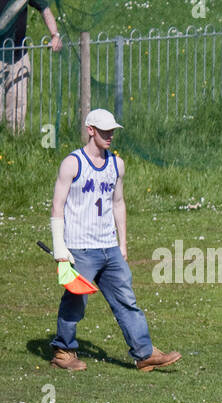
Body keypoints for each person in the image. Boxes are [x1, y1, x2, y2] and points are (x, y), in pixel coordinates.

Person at [48, 109, 181, 372]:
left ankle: (144, 354)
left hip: (109, 247)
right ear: (90, 130)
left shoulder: (116, 165)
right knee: (75, 301)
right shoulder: (72, 163)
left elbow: (118, 203)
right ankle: (63, 351)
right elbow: (57, 206)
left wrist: (122, 244)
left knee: (126, 300)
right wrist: (60, 248)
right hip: (80, 248)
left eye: (112, 131)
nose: (110, 135)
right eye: (104, 130)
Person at [1, 0, 62, 134]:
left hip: (18, 56)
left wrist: (55, 35)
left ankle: (15, 142)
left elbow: (44, 8)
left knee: (18, 104)